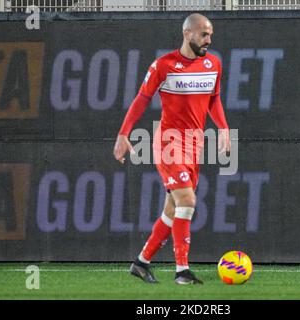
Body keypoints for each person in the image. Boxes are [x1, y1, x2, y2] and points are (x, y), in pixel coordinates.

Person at [113, 13, 230, 285]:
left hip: (194, 145)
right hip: (169, 143)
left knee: (172, 210)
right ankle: (182, 271)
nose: (209, 40)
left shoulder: (213, 64)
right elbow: (142, 100)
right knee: (187, 201)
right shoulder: (163, 65)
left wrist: (223, 127)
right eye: (204, 34)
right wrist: (123, 134)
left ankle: (141, 262)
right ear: (188, 33)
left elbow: (213, 99)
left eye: (210, 35)